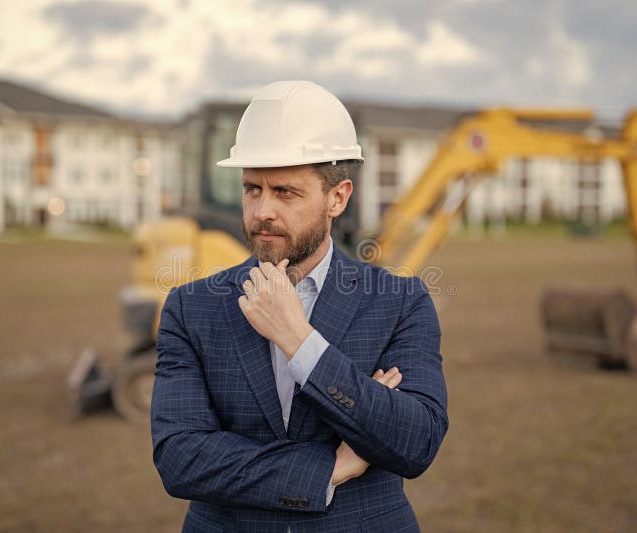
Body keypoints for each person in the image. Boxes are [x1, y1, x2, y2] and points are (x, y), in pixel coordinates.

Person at [151, 80, 448, 532]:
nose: (262, 211)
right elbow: (181, 457)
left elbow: (415, 440)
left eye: (285, 192)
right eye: (253, 189)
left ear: (338, 197)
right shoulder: (190, 309)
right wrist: (328, 469)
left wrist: (299, 340)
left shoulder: (400, 301)